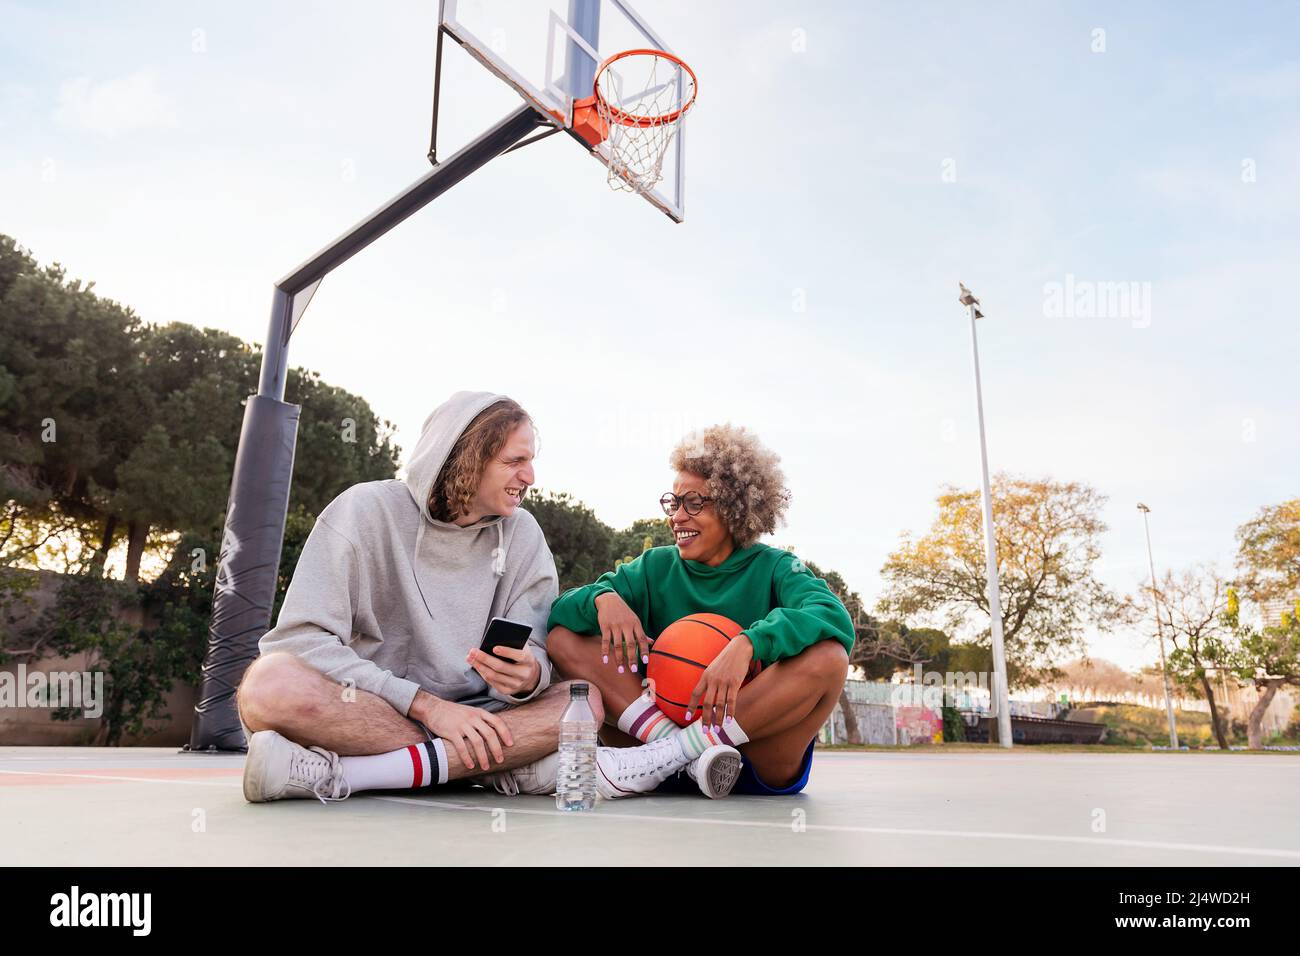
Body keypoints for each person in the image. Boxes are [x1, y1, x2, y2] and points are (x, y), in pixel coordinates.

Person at [237, 391, 577, 803]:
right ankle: (489, 768)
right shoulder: (364, 510)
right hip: (376, 706)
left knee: (583, 702)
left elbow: (535, 651)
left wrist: (528, 677)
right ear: (465, 458)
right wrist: (427, 707)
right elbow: (300, 641)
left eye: (530, 461)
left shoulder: (524, 535)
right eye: (514, 462)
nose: (530, 477)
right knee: (268, 685)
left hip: (483, 716)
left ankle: (351, 773)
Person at [544, 424, 855, 799]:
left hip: (752, 754)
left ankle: (678, 752)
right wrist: (602, 599)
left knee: (830, 658)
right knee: (565, 639)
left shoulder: (776, 567)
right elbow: (559, 614)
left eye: (695, 503)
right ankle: (678, 752)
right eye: (674, 503)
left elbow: (832, 616)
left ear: (735, 508)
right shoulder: (654, 567)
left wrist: (748, 644)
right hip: (650, 746)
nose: (677, 516)